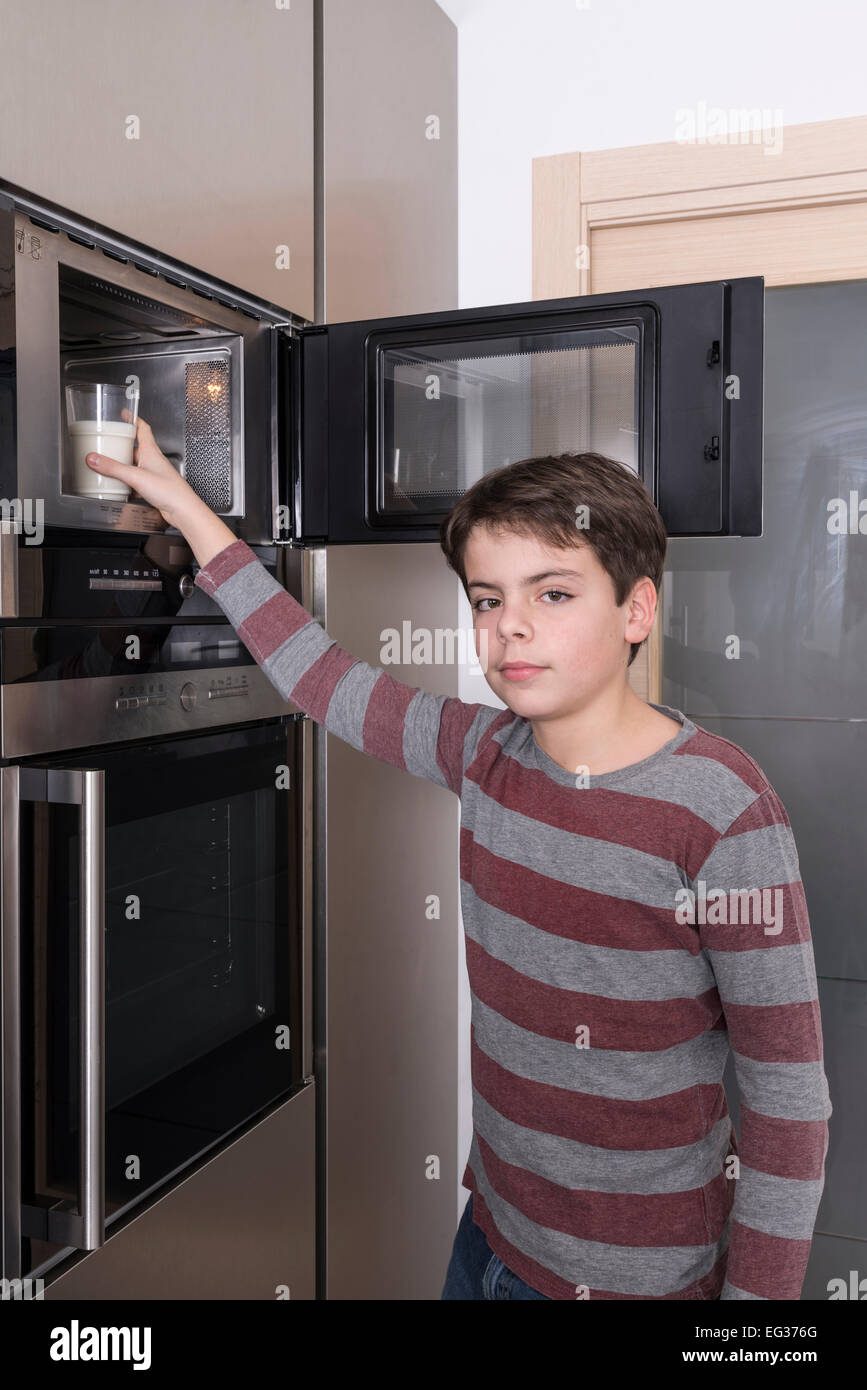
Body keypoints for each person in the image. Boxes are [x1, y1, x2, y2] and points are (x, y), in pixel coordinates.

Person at [84, 421, 832, 1301]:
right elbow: (318, 675)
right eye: (486, 599)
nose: (509, 627)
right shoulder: (481, 749)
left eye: (551, 594)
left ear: (636, 608)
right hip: (488, 1240)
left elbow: (788, 1105)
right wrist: (189, 512)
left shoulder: (723, 810)